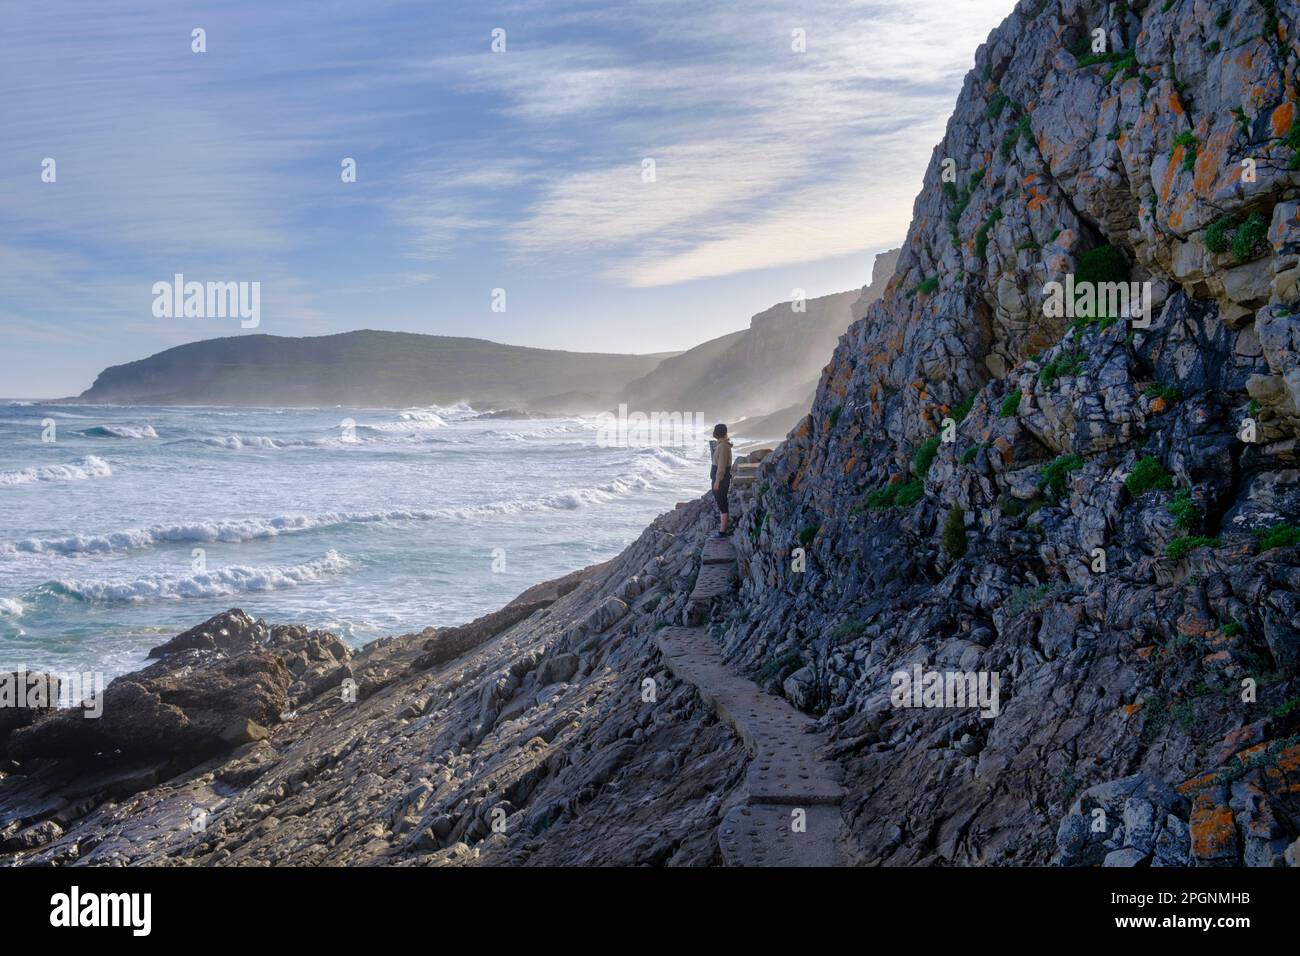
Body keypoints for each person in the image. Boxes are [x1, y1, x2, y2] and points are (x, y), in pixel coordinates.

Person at [710, 423, 733, 538]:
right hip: (720, 478)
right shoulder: (721, 445)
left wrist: (717, 481)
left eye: (715, 430)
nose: (713, 432)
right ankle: (722, 528)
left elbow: (721, 467)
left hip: (721, 479)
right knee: (721, 503)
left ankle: (723, 531)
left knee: (722, 503)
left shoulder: (723, 446)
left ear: (718, 432)